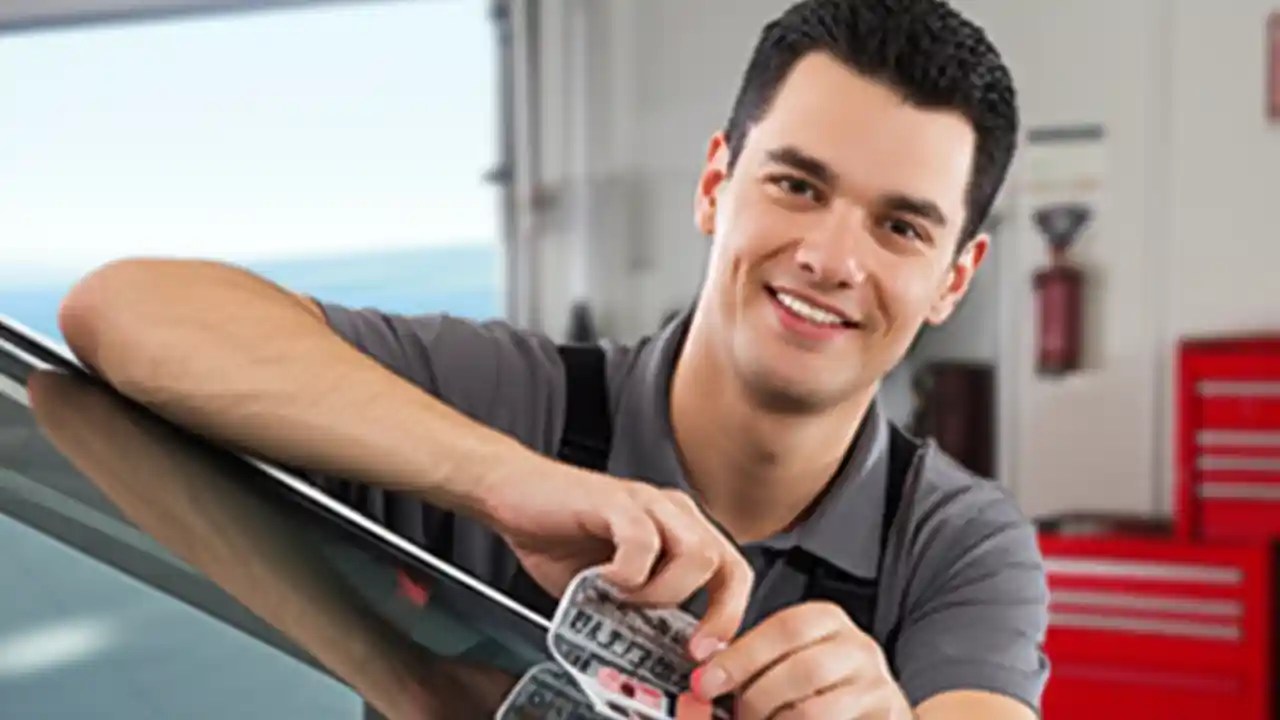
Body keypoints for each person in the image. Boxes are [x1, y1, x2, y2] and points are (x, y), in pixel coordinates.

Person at [58, 0, 1048, 717]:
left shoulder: (958, 547)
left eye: (900, 228)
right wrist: (501, 490)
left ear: (953, 279)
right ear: (715, 184)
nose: (831, 258)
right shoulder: (512, 402)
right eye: (795, 185)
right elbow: (120, 320)